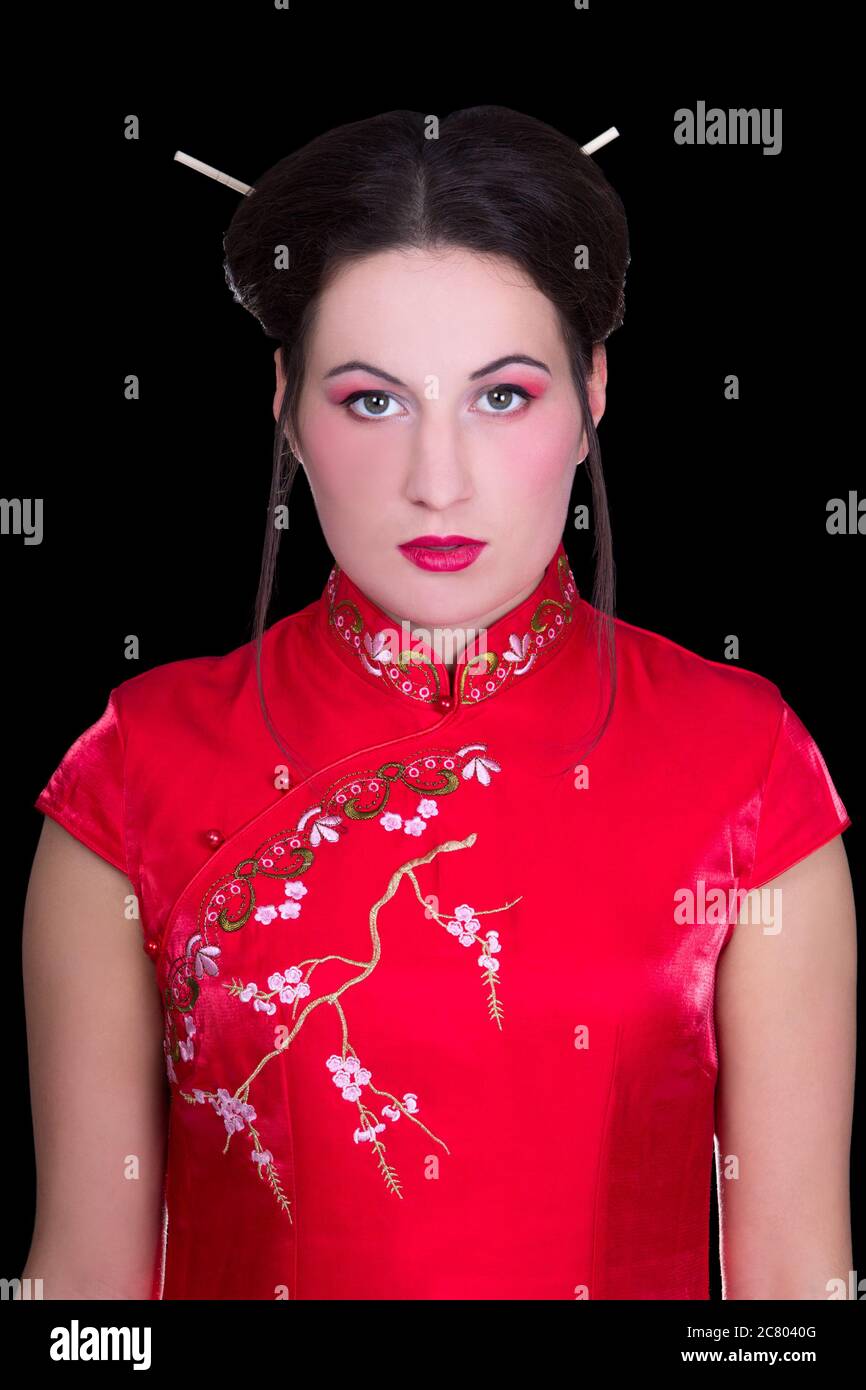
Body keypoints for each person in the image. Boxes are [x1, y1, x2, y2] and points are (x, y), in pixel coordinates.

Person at [21, 107, 855, 1301]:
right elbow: (85, 1305)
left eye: (501, 396)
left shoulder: (745, 770)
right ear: (286, 403)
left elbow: (790, 1299)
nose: (437, 478)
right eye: (371, 401)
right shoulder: (132, 772)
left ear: (593, 395)